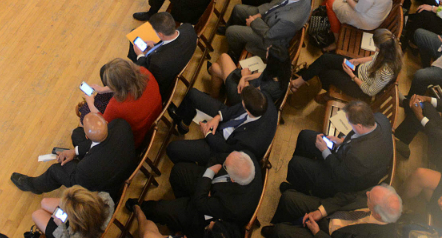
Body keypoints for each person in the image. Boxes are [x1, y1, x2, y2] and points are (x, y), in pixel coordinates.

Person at [10, 113, 137, 197]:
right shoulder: (121, 125)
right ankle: (75, 152)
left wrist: (69, 162)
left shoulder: (84, 168)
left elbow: (80, 177)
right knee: (76, 134)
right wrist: (74, 152)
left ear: (87, 137)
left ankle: (33, 185)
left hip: (106, 183)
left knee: (55, 170)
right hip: (121, 162)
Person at [140, 151, 263, 238]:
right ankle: (182, 200)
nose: (225, 159)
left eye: (226, 165)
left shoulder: (231, 206)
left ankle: (140, 207)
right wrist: (209, 176)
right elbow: (217, 157)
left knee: (159, 209)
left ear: (232, 179)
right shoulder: (247, 157)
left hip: (207, 212)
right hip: (210, 189)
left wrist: (210, 172)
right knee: (178, 171)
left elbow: (199, 203)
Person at [284, 99, 393, 197]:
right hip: (347, 157)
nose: (348, 125)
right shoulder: (381, 118)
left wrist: (324, 150)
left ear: (359, 126)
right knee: (305, 136)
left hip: (343, 181)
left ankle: (302, 188)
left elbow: (339, 173)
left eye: (350, 123)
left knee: (295, 164)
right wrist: (342, 141)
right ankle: (304, 176)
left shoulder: (359, 155)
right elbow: (355, 137)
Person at [164, 86, 276, 165]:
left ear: (249, 112)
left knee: (172, 149)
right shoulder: (263, 98)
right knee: (193, 94)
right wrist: (218, 117)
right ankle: (183, 125)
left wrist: (207, 133)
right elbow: (237, 108)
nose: (241, 102)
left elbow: (226, 150)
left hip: (224, 146)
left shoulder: (249, 142)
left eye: (243, 103)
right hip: (229, 122)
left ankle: (194, 167)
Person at [288, 28, 402, 103]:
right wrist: (358, 61)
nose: (375, 48)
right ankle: (298, 82)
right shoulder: (389, 50)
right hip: (360, 69)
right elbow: (374, 57)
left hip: (360, 87)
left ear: (384, 49)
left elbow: (370, 91)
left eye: (376, 46)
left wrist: (351, 75)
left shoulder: (387, 71)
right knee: (325, 59)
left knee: (325, 74)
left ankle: (312, 89)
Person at [265, 184, 403, 238]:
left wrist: (317, 232)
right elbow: (345, 198)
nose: (366, 193)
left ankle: (276, 231)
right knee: (289, 198)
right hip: (332, 212)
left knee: (280, 232)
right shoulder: (376, 195)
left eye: (370, 198)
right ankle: (284, 220)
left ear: (378, 214)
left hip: (328, 234)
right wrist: (321, 212)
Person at [223, 0, 311, 57]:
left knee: (231, 31)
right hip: (270, 18)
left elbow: (269, 34)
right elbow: (277, 2)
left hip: (269, 38)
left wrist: (253, 22)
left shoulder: (289, 20)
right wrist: (260, 13)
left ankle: (235, 54)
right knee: (238, 9)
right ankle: (240, 35)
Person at [81, 58, 161, 144]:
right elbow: (126, 83)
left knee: (84, 118)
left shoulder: (116, 106)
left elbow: (103, 123)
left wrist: (90, 102)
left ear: (116, 86)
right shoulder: (143, 71)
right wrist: (103, 89)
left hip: (139, 136)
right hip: (156, 112)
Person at [129, 12, 198, 96]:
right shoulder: (188, 28)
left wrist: (140, 56)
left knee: (133, 42)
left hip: (161, 82)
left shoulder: (157, 62)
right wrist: (155, 46)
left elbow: (148, 76)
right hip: (181, 57)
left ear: (160, 34)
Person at [27, 185, 114, 238]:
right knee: (44, 202)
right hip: (90, 224)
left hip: (66, 233)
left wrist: (61, 226)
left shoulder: (78, 236)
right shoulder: (106, 198)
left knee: (36, 214)